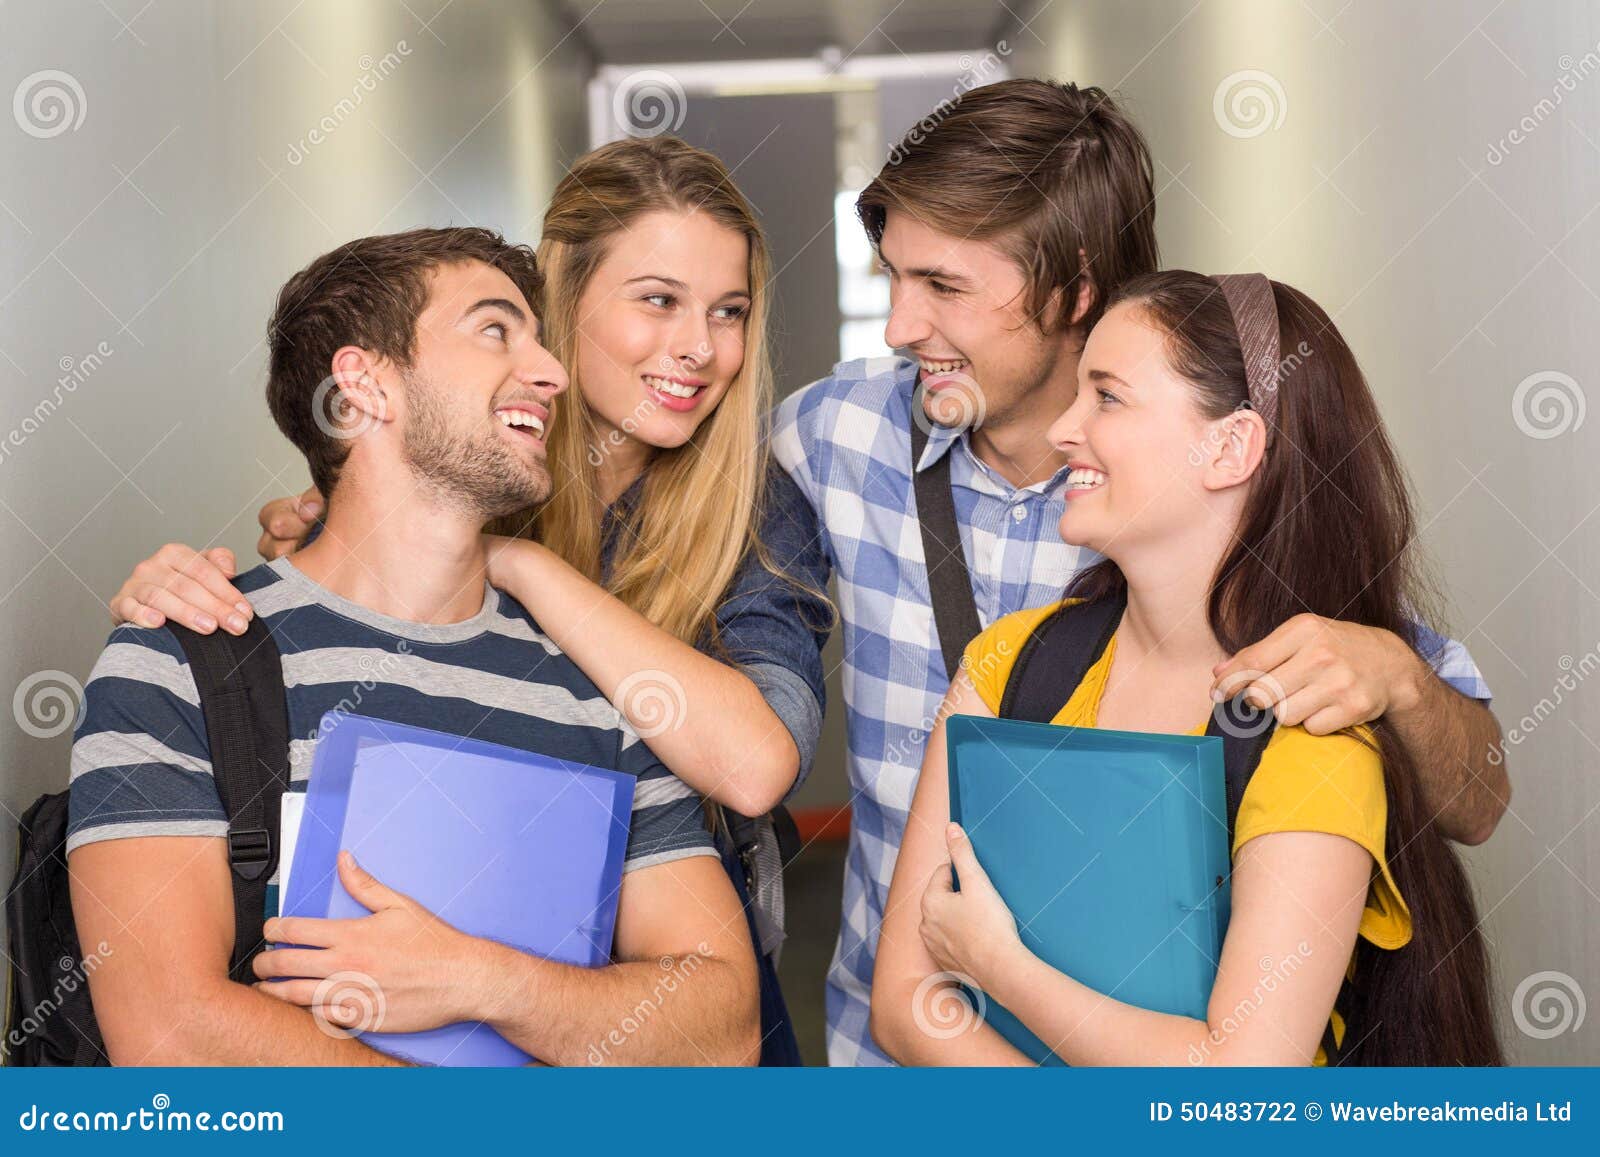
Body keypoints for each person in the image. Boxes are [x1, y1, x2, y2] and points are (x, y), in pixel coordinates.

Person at [770, 79, 1508, 1065]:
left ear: (1073, 289)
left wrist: (1398, 678)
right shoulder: (830, 433)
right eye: (892, 276)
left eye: (942, 286)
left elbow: (1477, 798)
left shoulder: (1217, 514)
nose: (900, 326)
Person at [98, 138, 832, 1056]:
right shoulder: (228, 646)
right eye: (658, 300)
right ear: (566, 310)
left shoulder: (747, 514)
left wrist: (517, 566)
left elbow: (756, 769)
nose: (700, 347)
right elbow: (171, 1029)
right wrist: (179, 615)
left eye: (729, 312)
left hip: (644, 996)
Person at [870, 270, 1502, 1066]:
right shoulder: (1007, 664)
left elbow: (1239, 1082)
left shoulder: (1313, 724)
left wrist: (999, 967)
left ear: (1230, 447)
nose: (1064, 429)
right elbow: (903, 1003)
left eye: (1106, 396)